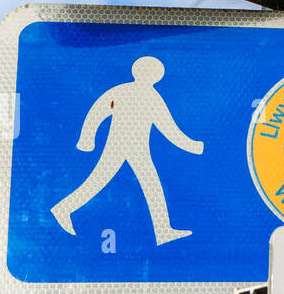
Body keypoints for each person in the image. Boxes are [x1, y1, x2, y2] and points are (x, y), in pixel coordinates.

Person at [51, 55, 203, 245]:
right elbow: (98, 112)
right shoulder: (144, 95)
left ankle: (163, 230)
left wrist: (192, 145)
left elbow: (168, 128)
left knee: (135, 183)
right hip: (124, 145)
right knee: (115, 182)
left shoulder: (132, 92)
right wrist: (194, 146)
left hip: (134, 147)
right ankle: (63, 209)